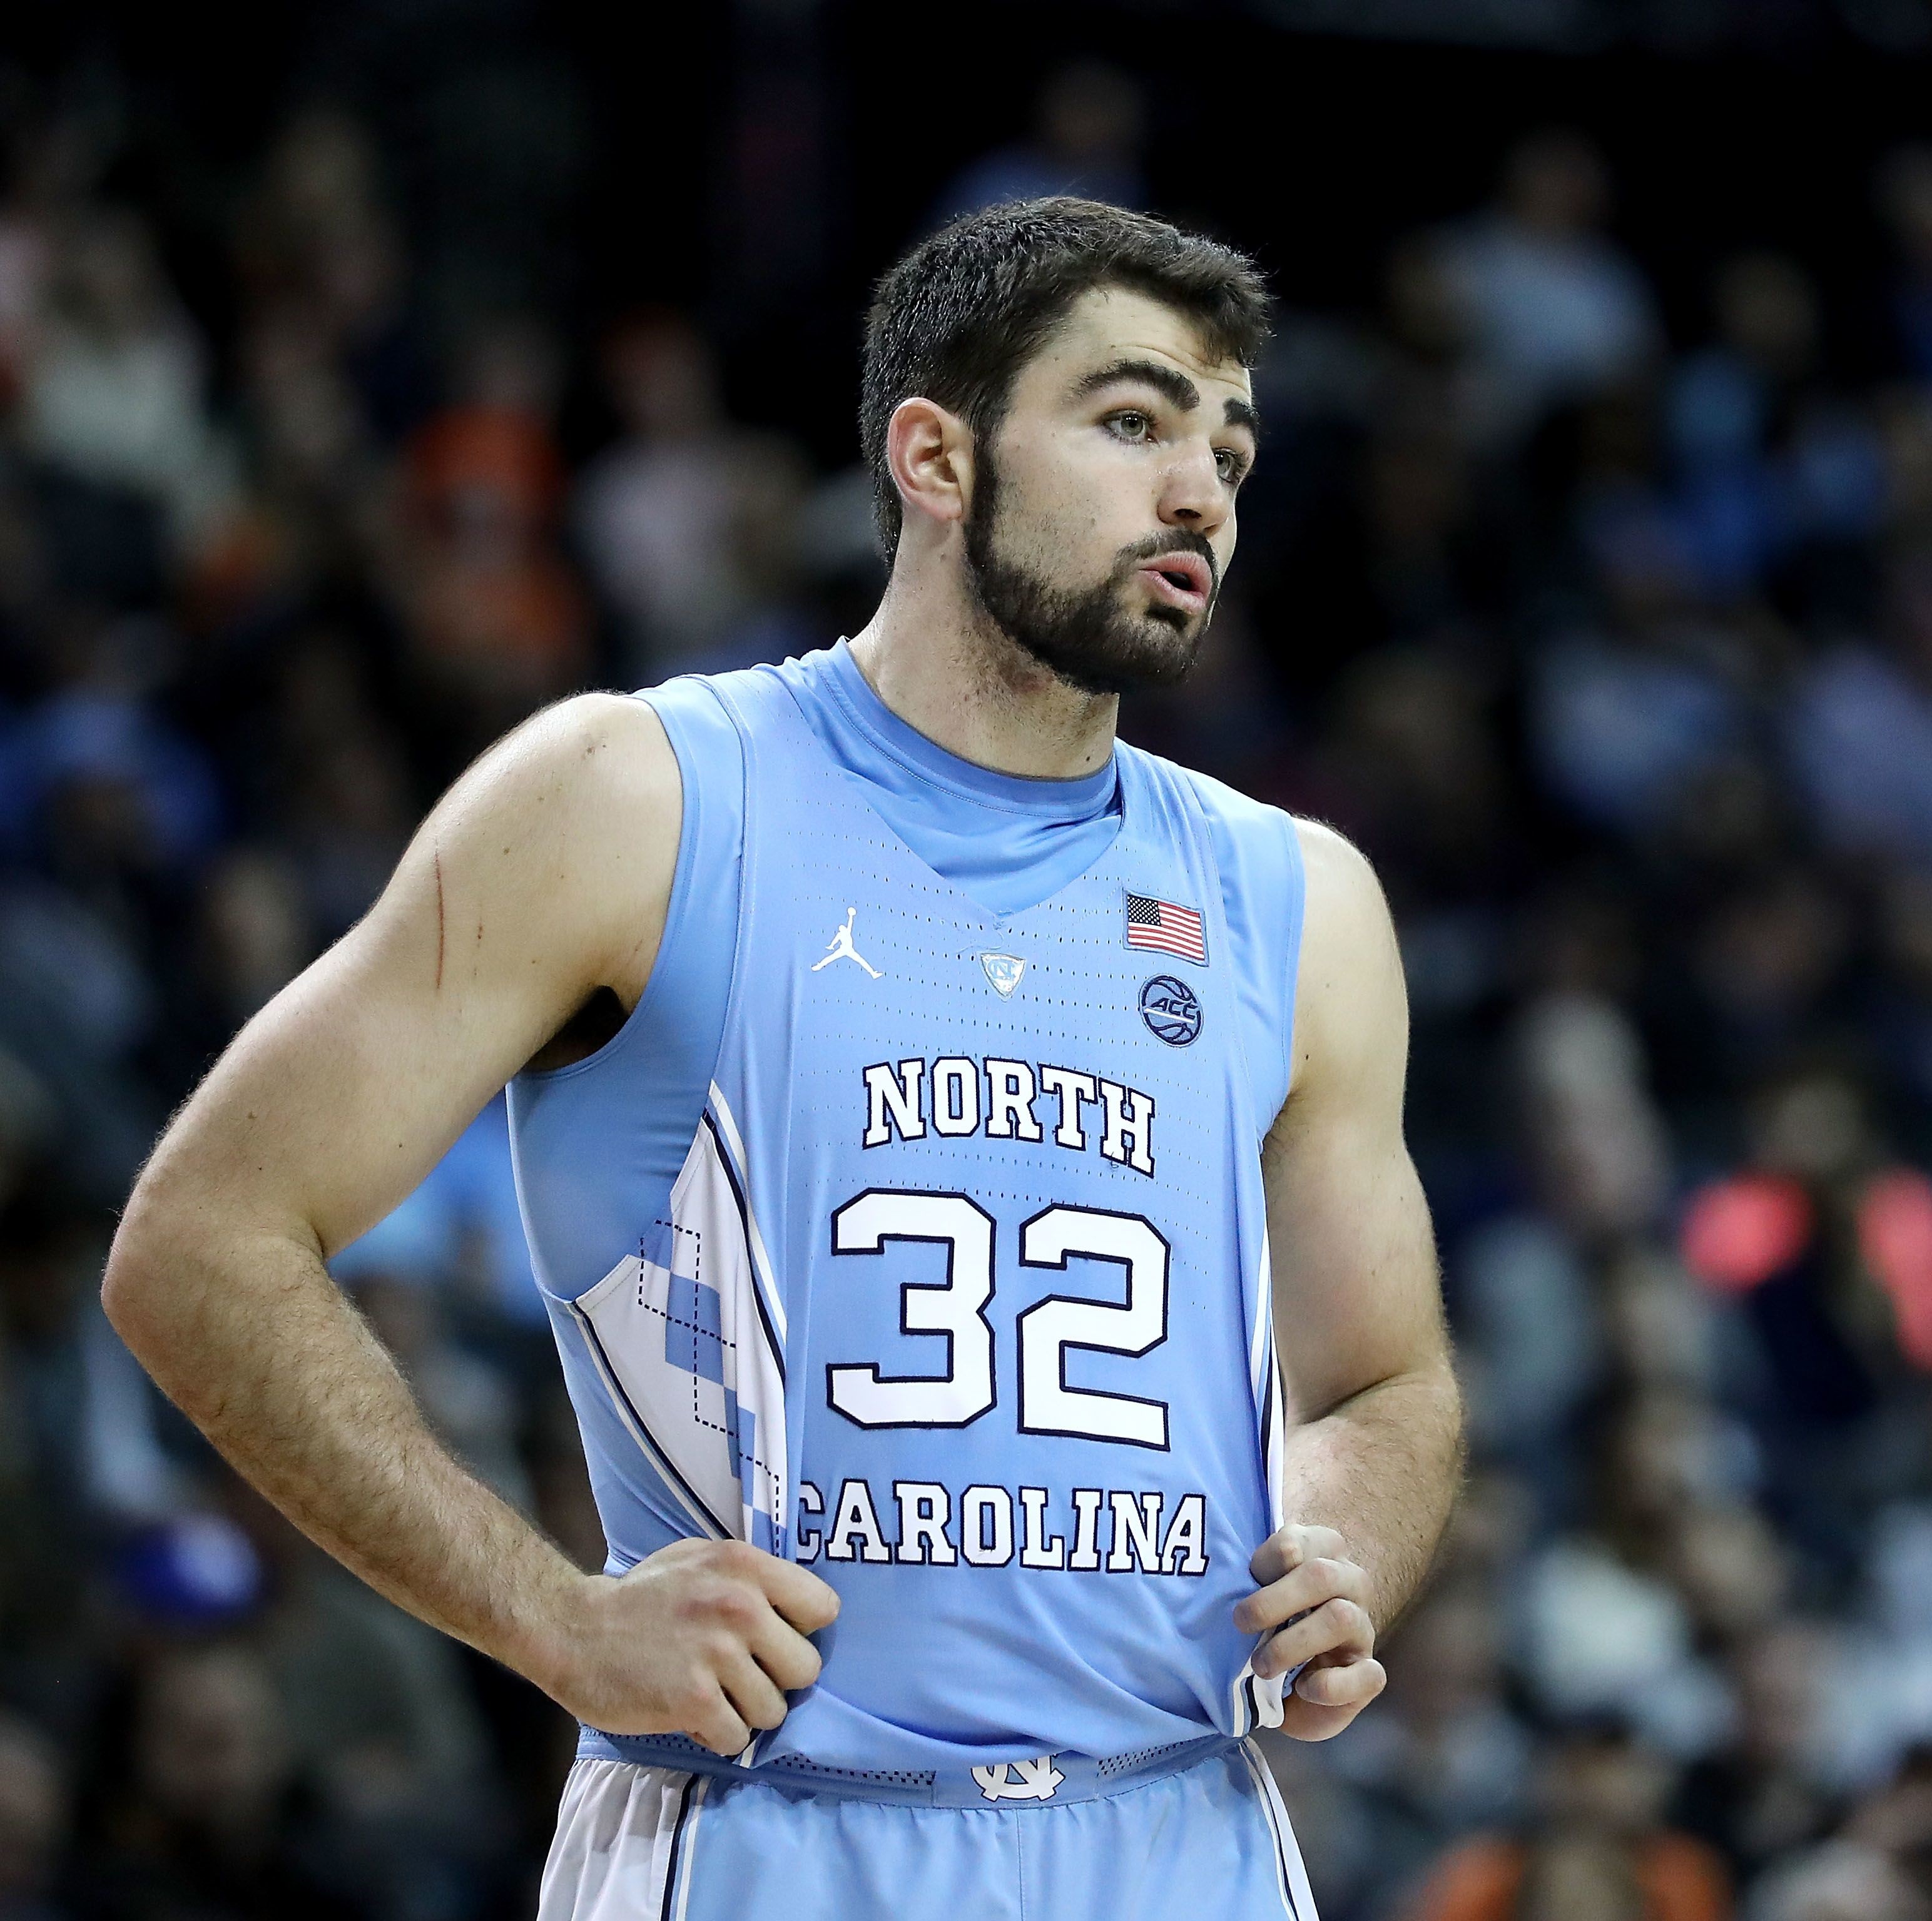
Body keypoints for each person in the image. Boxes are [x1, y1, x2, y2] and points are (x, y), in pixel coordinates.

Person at [101, 198, 1463, 1920]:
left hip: (1182, 1833)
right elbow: (198, 1243)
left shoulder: (1300, 899)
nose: (1200, 490)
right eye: (1131, 422)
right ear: (934, 457)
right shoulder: (634, 798)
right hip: (774, 1832)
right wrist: (555, 1620)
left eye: (1229, 447)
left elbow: (1384, 1386)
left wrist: (1336, 1546)